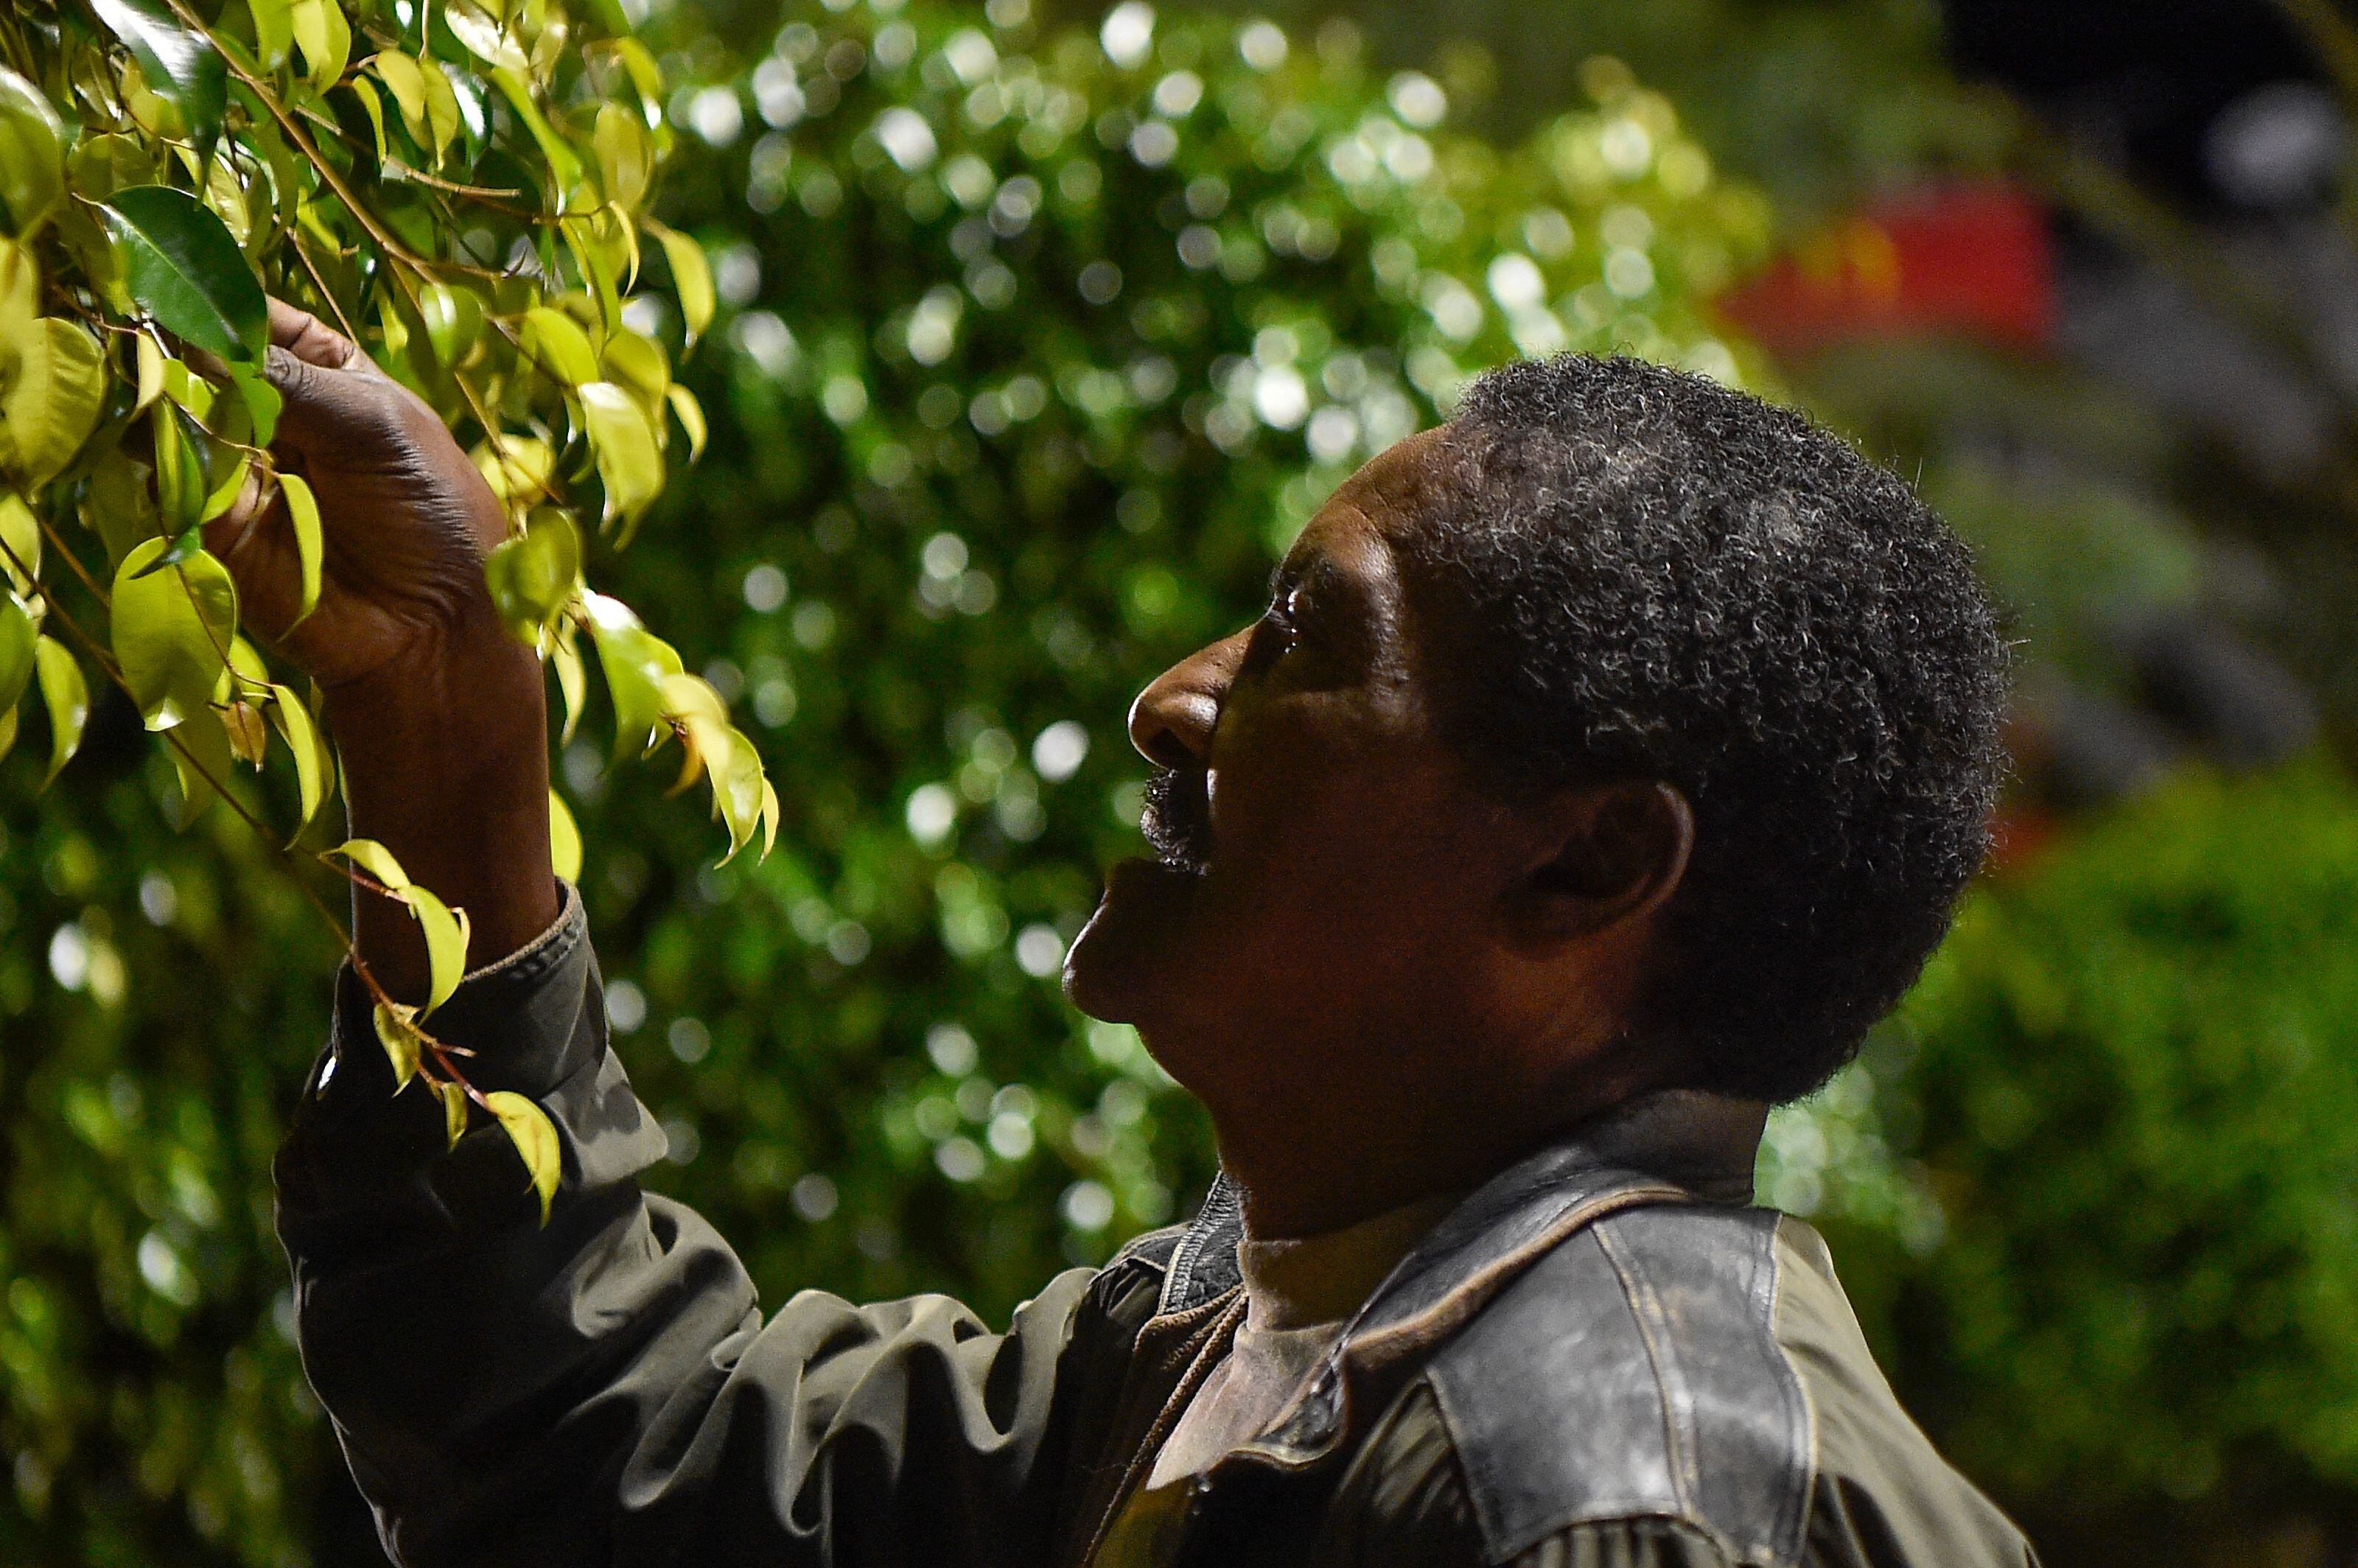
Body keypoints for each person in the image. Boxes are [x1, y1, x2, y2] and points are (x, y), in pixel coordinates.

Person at [229, 299, 2036, 1567]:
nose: (1173, 704)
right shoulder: (1241, 1339)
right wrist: (449, 713)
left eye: (1305, 639)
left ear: (1586, 867)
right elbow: (609, 1470)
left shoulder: (1618, 1500)